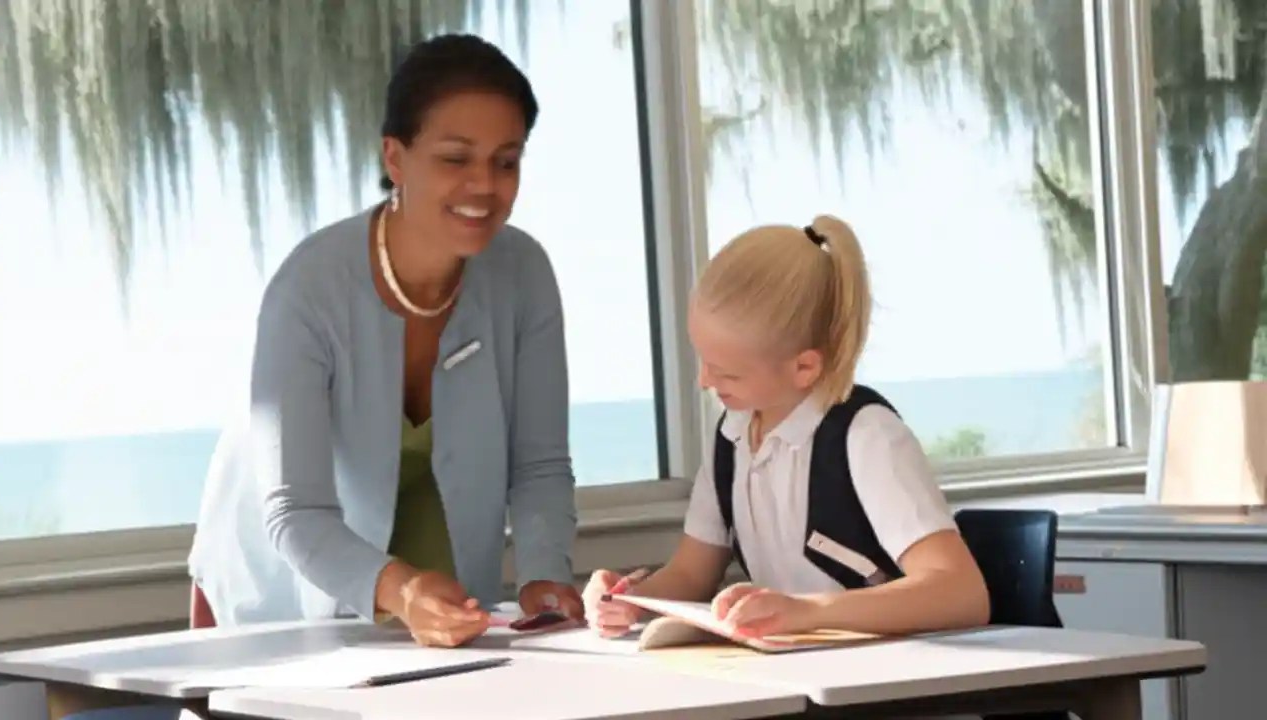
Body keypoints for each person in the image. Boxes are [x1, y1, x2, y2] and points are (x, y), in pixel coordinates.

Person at [188, 33, 583, 649]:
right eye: (456, 159)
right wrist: (398, 589)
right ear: (395, 158)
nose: (484, 185)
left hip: (440, 570)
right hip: (290, 576)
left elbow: (539, 467)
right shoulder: (307, 291)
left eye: (506, 161)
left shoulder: (524, 274)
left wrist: (544, 579)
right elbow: (296, 512)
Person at [584, 216, 989, 640]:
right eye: (703, 360)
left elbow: (960, 593)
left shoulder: (867, 436)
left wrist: (808, 612)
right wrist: (629, 601)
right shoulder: (731, 436)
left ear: (804, 367)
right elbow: (690, 574)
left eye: (728, 373)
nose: (704, 381)